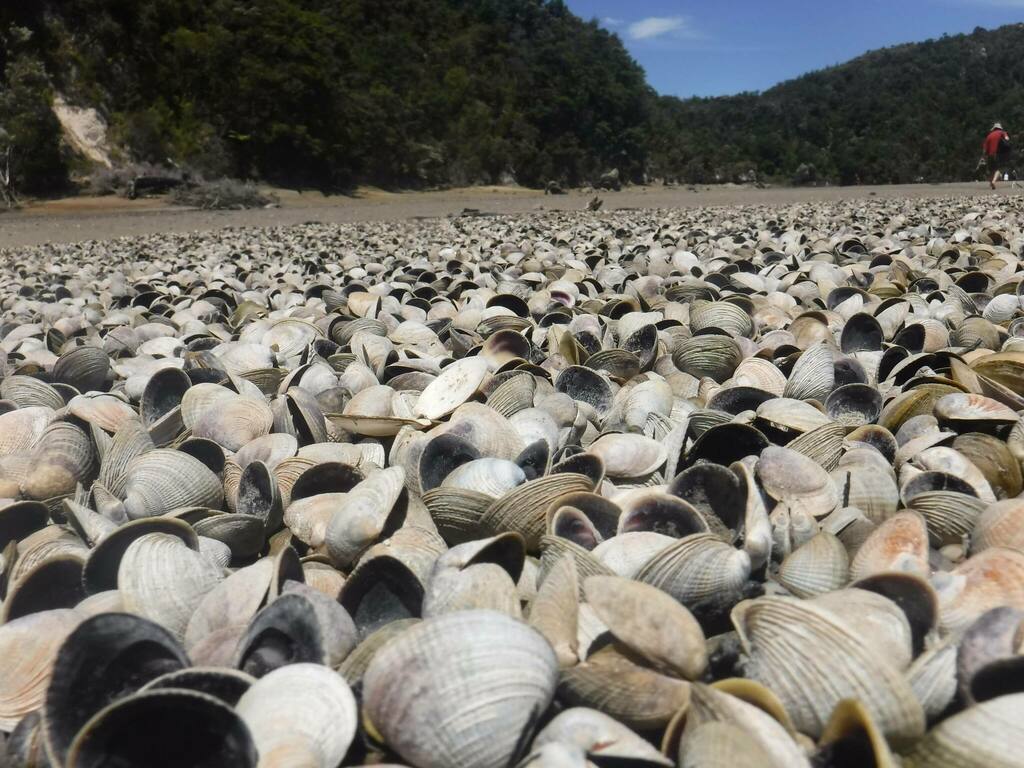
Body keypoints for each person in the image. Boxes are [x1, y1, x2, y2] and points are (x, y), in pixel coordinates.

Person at [983, 122, 1011, 189]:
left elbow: (984, 149)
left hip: (989, 155)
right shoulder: (1002, 132)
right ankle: (993, 181)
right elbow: (1007, 139)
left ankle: (990, 182)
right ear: (1000, 128)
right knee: (998, 169)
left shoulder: (989, 136)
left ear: (994, 128)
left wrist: (984, 156)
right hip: (997, 154)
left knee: (991, 169)